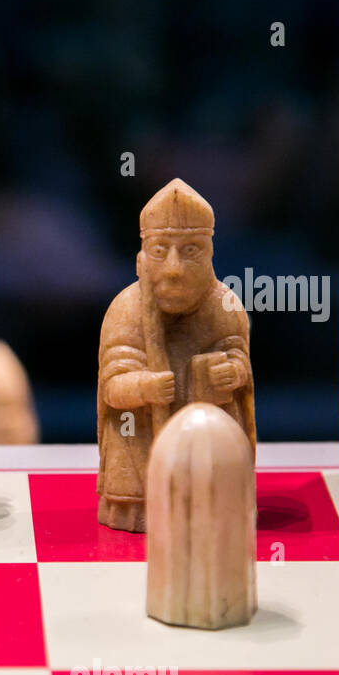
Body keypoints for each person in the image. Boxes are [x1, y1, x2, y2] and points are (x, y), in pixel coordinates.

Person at [97, 178, 255, 532]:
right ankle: (141, 507)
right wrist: (144, 387)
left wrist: (232, 371)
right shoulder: (126, 308)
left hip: (203, 436)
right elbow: (112, 387)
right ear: (142, 256)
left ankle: (213, 501)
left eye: (191, 251)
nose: (173, 268)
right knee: (128, 428)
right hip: (140, 441)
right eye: (160, 250)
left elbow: (240, 361)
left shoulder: (225, 305)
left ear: (211, 253)